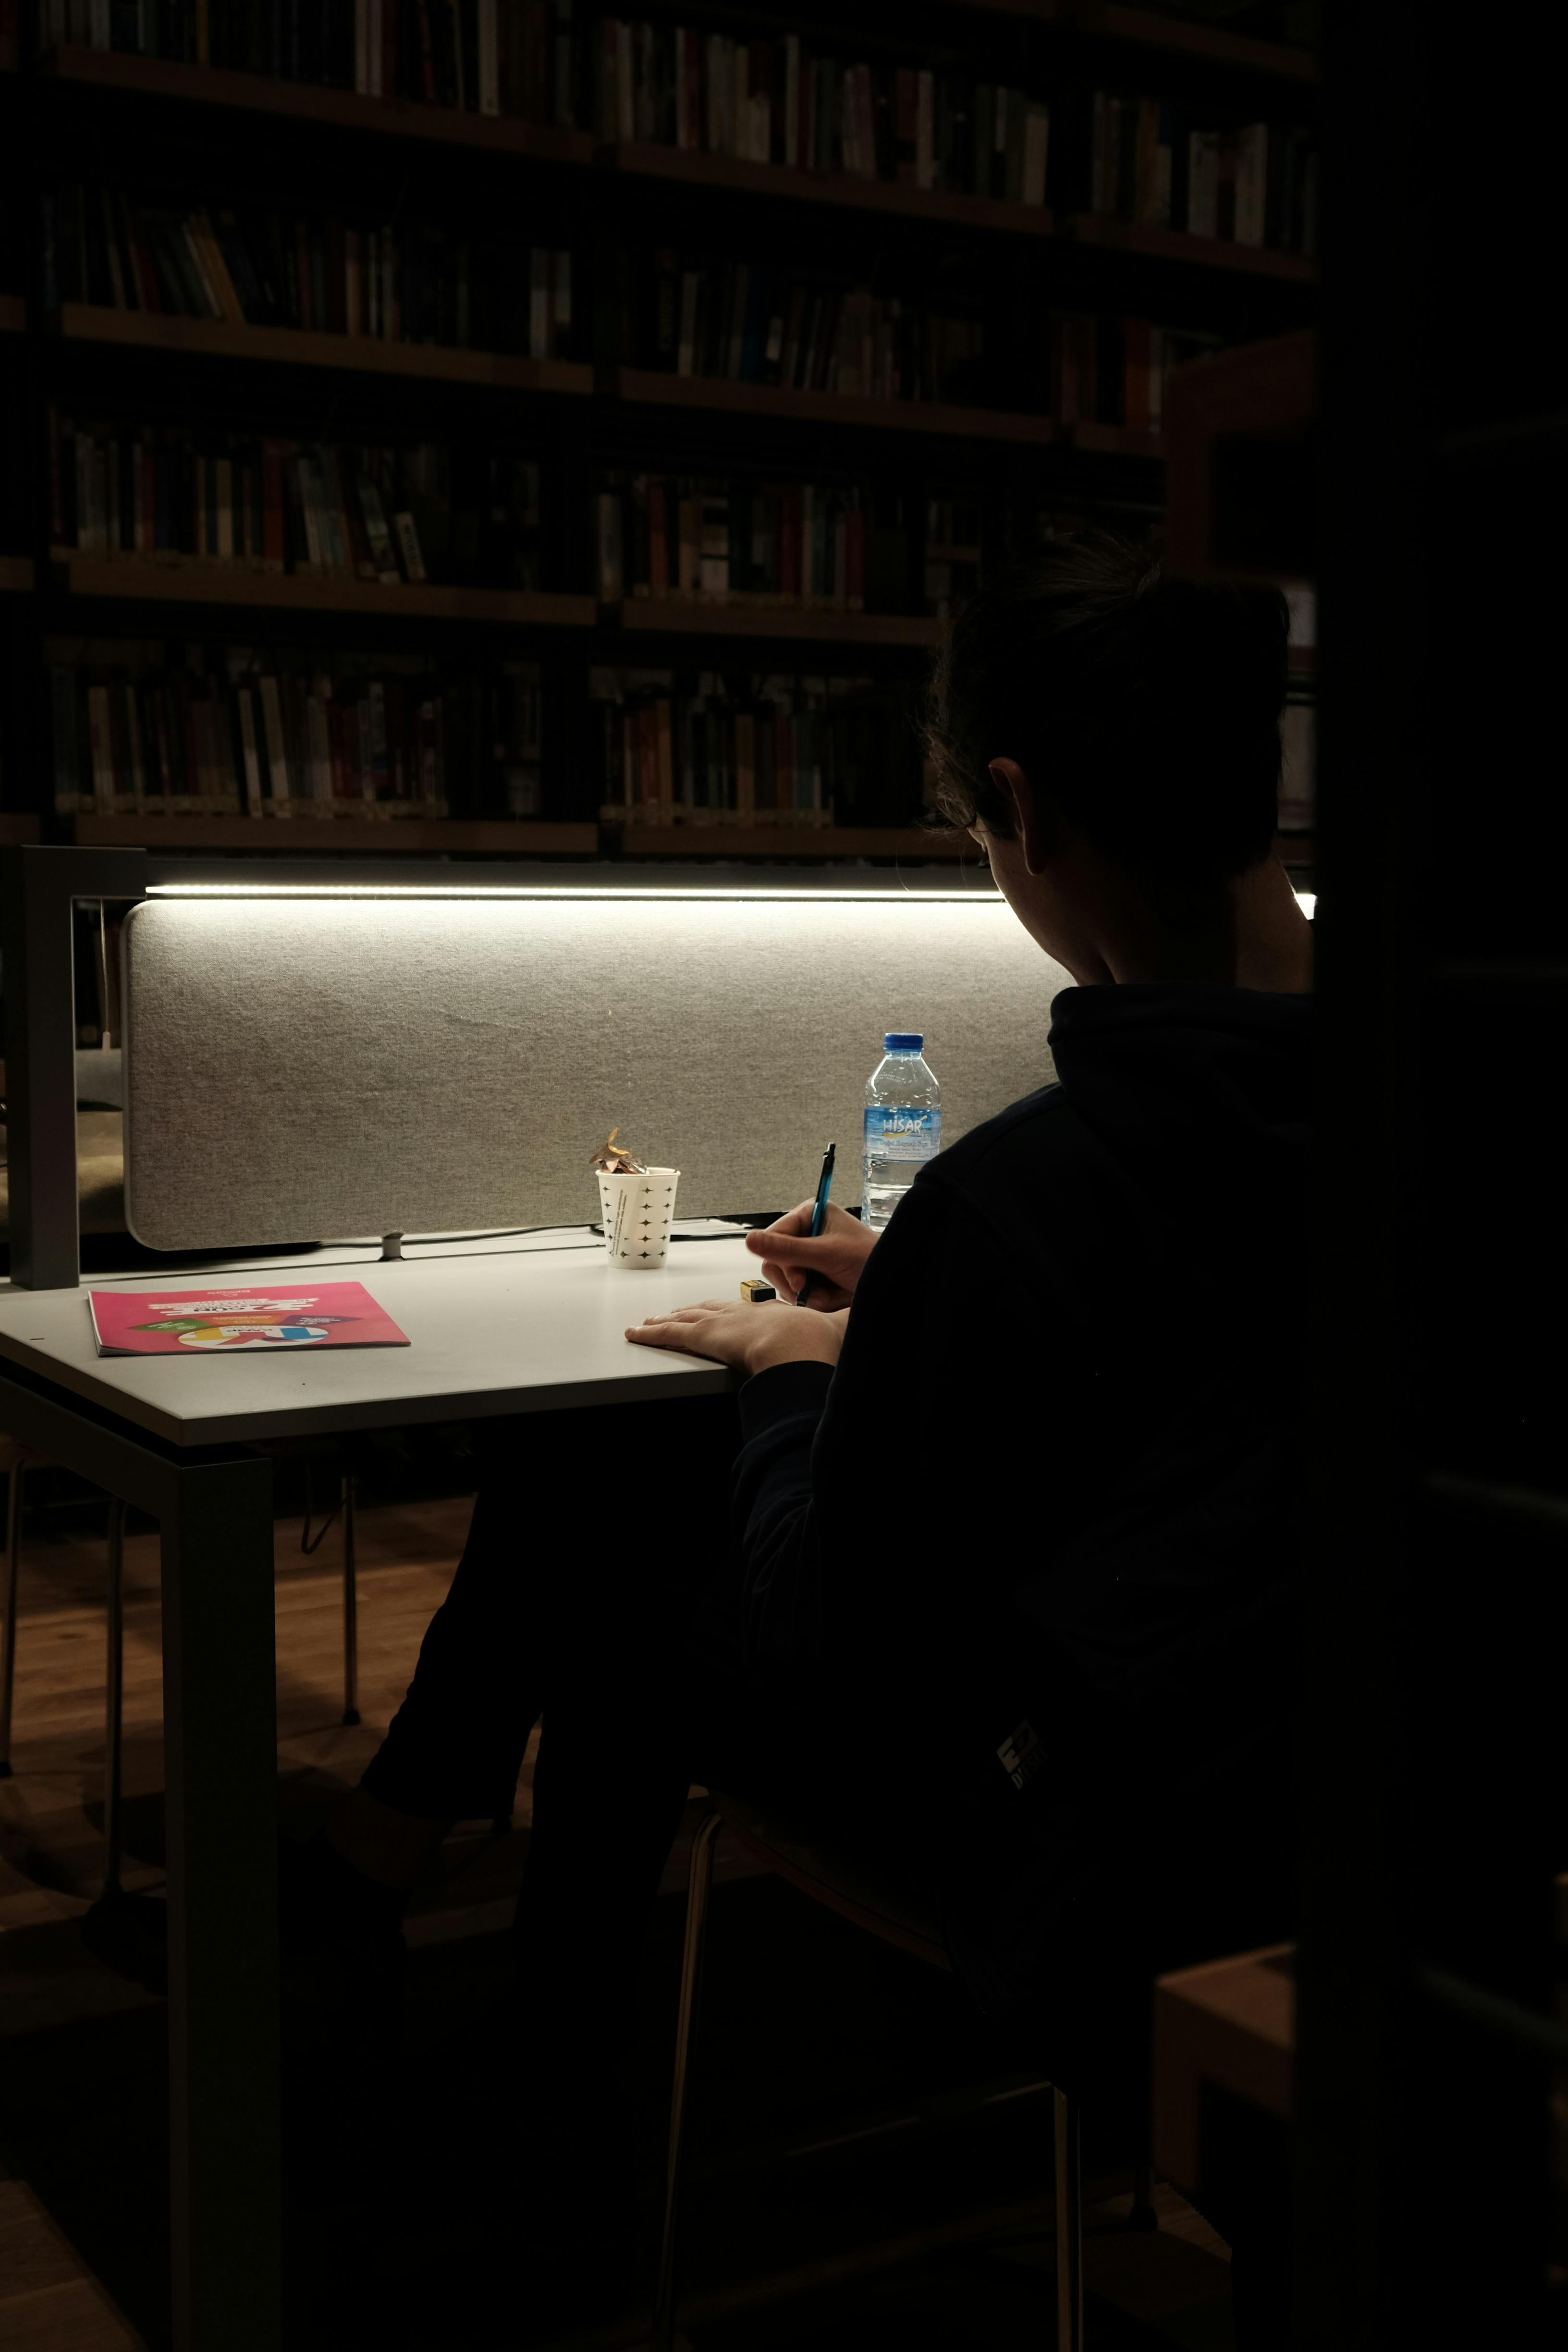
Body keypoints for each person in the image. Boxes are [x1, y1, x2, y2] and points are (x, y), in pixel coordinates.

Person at [291, 530, 1311, 2327]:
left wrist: (793, 1370)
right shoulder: (1389, 1121)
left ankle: (530, 2114)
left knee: (615, 1551)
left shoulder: (1027, 1203)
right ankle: (489, 2011)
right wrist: (897, 1307)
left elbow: (821, 1635)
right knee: (615, 1500)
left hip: (1084, 1836)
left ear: (1020, 804)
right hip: (1300, 1776)